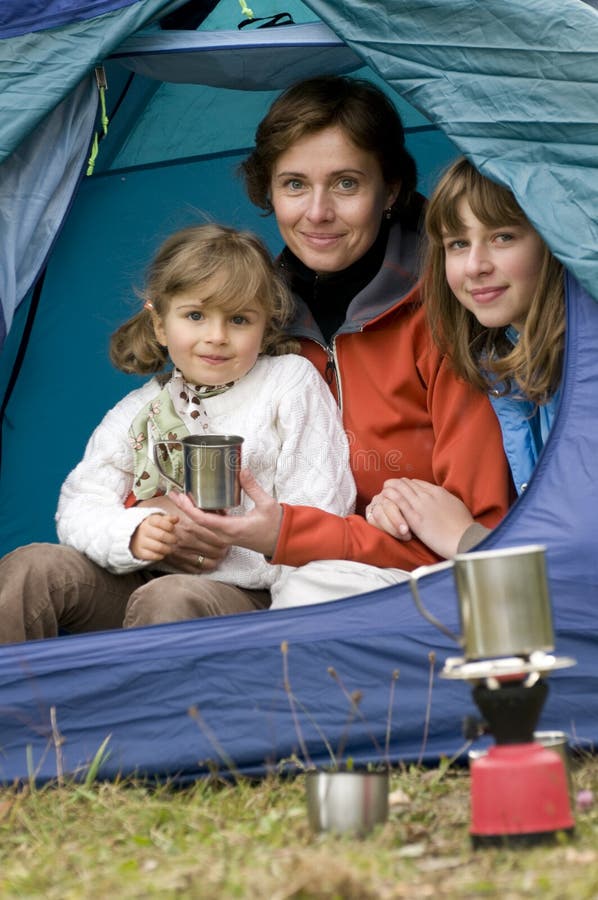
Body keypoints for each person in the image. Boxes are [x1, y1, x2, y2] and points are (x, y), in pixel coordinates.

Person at [151, 76, 512, 607]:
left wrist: (288, 536)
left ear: (389, 191)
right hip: (255, 568)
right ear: (268, 191)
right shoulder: (250, 322)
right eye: (294, 184)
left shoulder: (453, 312)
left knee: (297, 590)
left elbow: (476, 532)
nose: (317, 213)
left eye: (346, 184)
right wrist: (164, 520)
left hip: (400, 581)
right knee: (59, 574)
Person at [0, 224, 355, 642]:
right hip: (141, 582)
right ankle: (18, 702)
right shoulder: (138, 410)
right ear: (160, 326)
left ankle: (149, 709)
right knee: (32, 566)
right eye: (195, 316)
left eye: (239, 319)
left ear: (266, 327)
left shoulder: (288, 384)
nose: (217, 336)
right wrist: (134, 532)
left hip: (249, 599)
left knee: (170, 596)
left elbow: (322, 508)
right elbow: (80, 505)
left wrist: (291, 618)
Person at [366, 157, 565, 557]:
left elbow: (576, 559)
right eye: (457, 244)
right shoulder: (502, 361)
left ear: (552, 239)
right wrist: (400, 505)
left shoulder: (584, 368)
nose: (475, 266)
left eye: (502, 237)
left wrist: (465, 540)